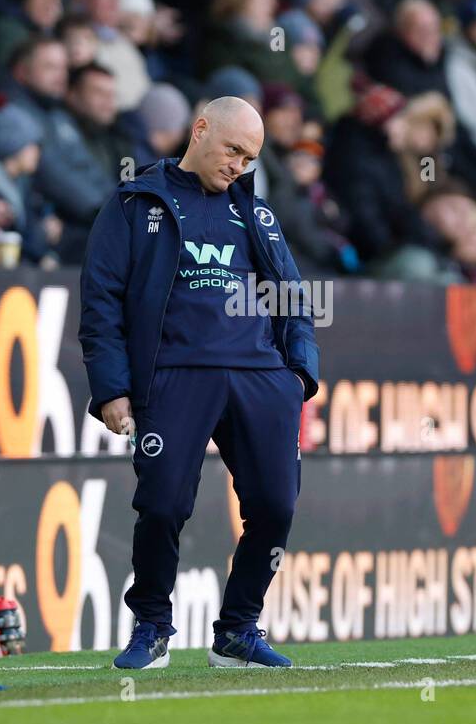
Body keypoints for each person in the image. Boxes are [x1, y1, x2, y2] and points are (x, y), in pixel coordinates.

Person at [79, 96, 318, 669]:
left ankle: (238, 630)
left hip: (260, 378)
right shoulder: (136, 203)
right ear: (200, 129)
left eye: (250, 158)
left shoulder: (255, 214)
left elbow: (292, 299)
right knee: (161, 507)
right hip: (173, 377)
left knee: (276, 507)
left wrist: (299, 378)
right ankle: (153, 628)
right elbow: (101, 299)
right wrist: (112, 388)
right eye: (233, 150)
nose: (239, 165)